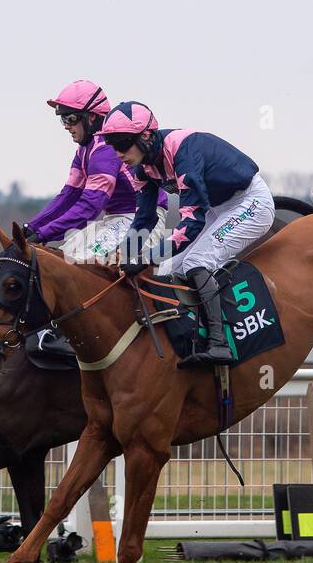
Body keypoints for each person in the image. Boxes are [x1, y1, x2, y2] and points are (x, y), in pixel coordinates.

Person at [98, 101, 275, 367]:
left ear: (146, 136)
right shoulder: (141, 167)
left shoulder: (183, 152)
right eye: (112, 145)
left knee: (196, 261)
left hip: (250, 203)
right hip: (216, 208)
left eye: (122, 144)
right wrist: (126, 252)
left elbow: (191, 223)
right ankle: (192, 337)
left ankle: (220, 343)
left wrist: (146, 258)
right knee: (168, 269)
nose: (118, 153)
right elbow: (144, 218)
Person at [24, 80, 168, 263]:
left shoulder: (105, 149)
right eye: (62, 119)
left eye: (70, 119)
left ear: (91, 117)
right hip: (115, 219)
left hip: (143, 218)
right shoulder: (84, 149)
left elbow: (90, 206)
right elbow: (68, 196)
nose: (66, 126)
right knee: (62, 257)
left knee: (80, 265)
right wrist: (32, 227)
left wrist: (43, 233)